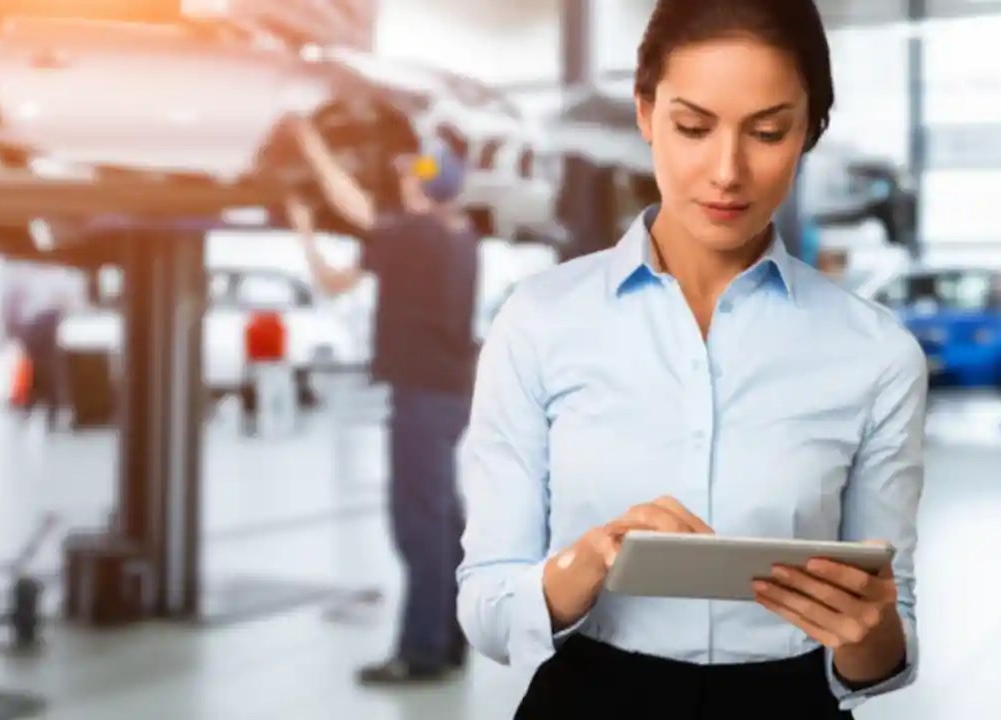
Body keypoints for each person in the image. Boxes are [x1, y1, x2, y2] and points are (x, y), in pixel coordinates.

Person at [456, 1, 927, 717]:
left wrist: (869, 635)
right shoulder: (540, 321)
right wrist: (588, 561)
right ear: (645, 114)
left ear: (809, 131)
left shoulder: (876, 354)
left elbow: (886, 648)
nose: (727, 171)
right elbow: (487, 610)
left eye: (767, 132)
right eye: (693, 127)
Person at [285, 117, 480, 685]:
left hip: (421, 397)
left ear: (423, 184)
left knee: (418, 524)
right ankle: (450, 642)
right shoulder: (460, 236)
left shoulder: (414, 235)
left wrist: (311, 150)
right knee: (443, 519)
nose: (401, 179)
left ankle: (420, 653)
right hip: (451, 394)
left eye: (410, 174)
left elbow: (349, 226)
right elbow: (360, 239)